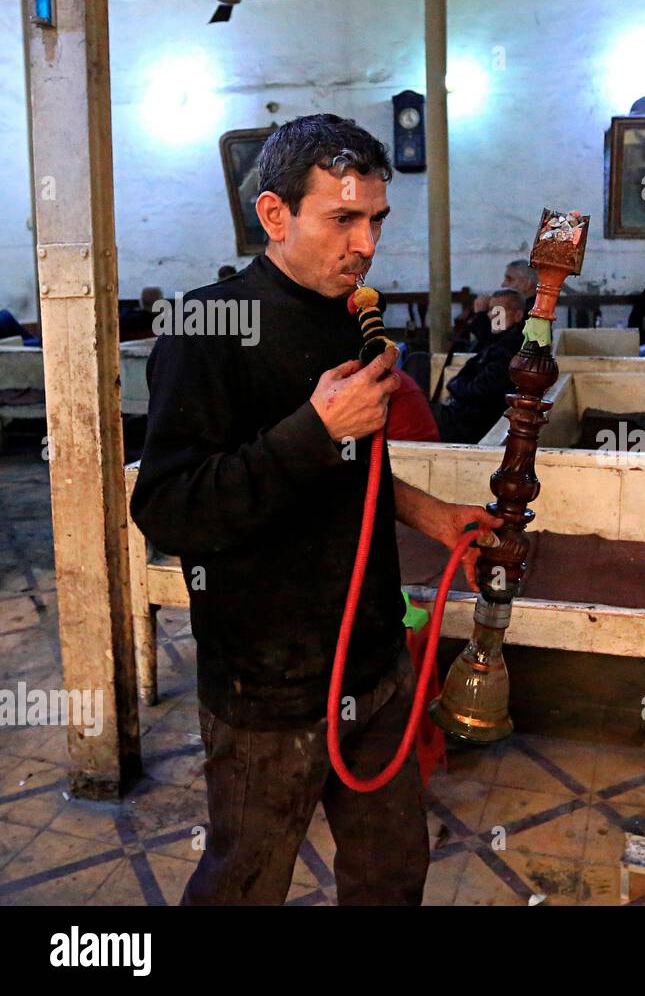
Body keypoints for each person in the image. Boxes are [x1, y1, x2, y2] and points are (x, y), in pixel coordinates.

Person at [130, 114, 501, 906]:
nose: (365, 244)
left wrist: (428, 512)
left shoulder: (350, 315)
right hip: (270, 683)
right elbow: (168, 510)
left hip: (376, 660)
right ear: (275, 216)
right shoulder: (204, 327)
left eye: (376, 220)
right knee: (244, 883)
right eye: (342, 220)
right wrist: (315, 428)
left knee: (393, 873)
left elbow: (350, 469)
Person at [435, 287, 527, 443]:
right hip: (466, 415)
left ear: (518, 315)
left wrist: (455, 386)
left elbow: (480, 390)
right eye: (490, 310)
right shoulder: (496, 342)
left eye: (499, 310)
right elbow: (469, 371)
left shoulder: (509, 348)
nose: (492, 315)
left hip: (474, 422)